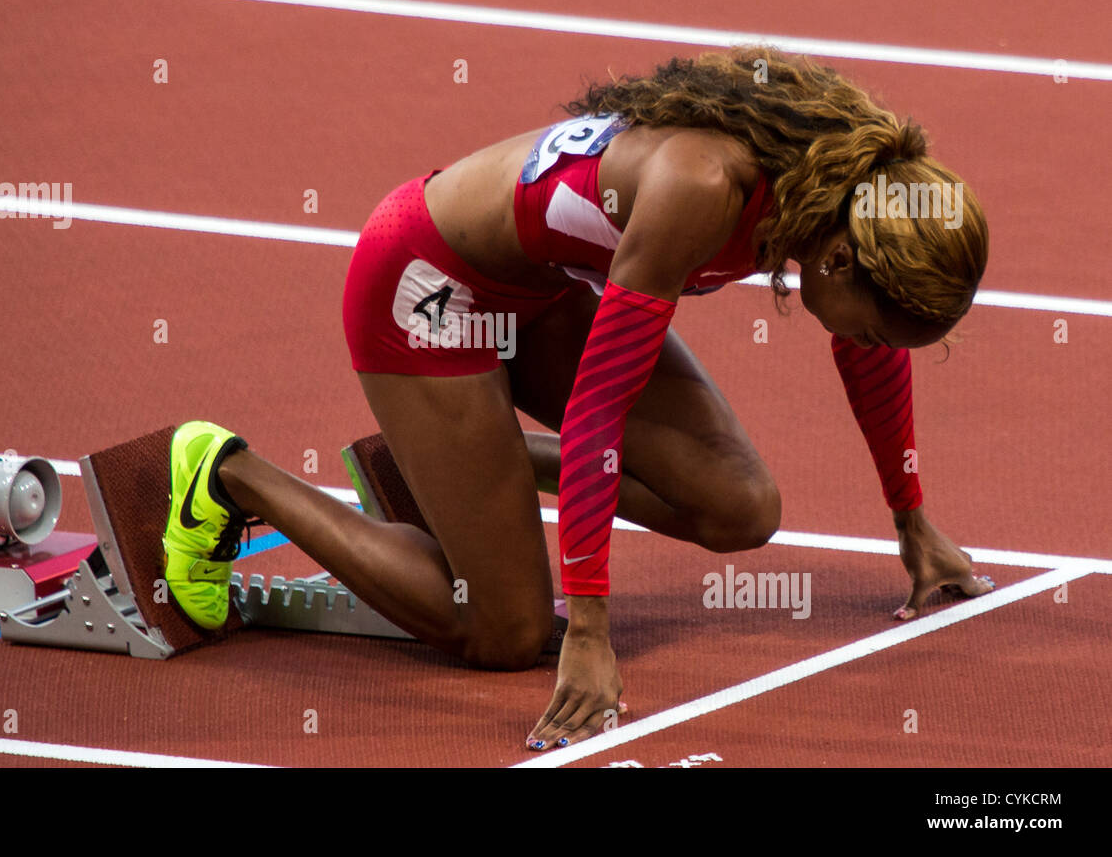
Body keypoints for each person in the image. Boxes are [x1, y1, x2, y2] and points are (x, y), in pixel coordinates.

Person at [159, 48, 993, 751]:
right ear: (843, 263)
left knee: (742, 508)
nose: (872, 350)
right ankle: (227, 473)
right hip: (426, 284)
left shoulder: (848, 196)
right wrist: (589, 634)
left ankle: (471, 467)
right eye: (882, 333)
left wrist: (911, 522)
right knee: (506, 634)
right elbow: (599, 412)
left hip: (544, 293)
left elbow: (865, 345)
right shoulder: (704, 188)